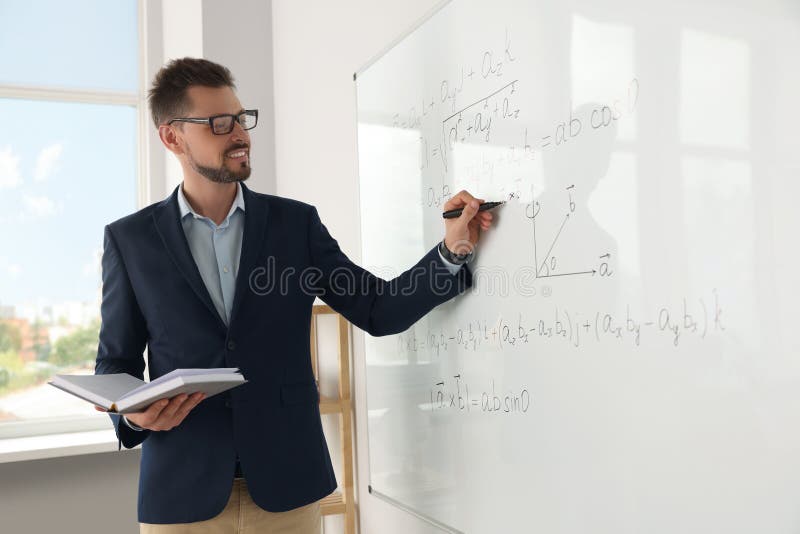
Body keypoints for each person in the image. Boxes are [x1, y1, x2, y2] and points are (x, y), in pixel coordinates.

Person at [94, 57, 494, 533]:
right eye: (220, 124)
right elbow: (115, 365)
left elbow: (378, 307)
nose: (240, 134)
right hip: (181, 493)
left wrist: (451, 251)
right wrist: (135, 418)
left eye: (242, 119)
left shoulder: (295, 225)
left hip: (288, 488)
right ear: (172, 137)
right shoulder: (130, 240)